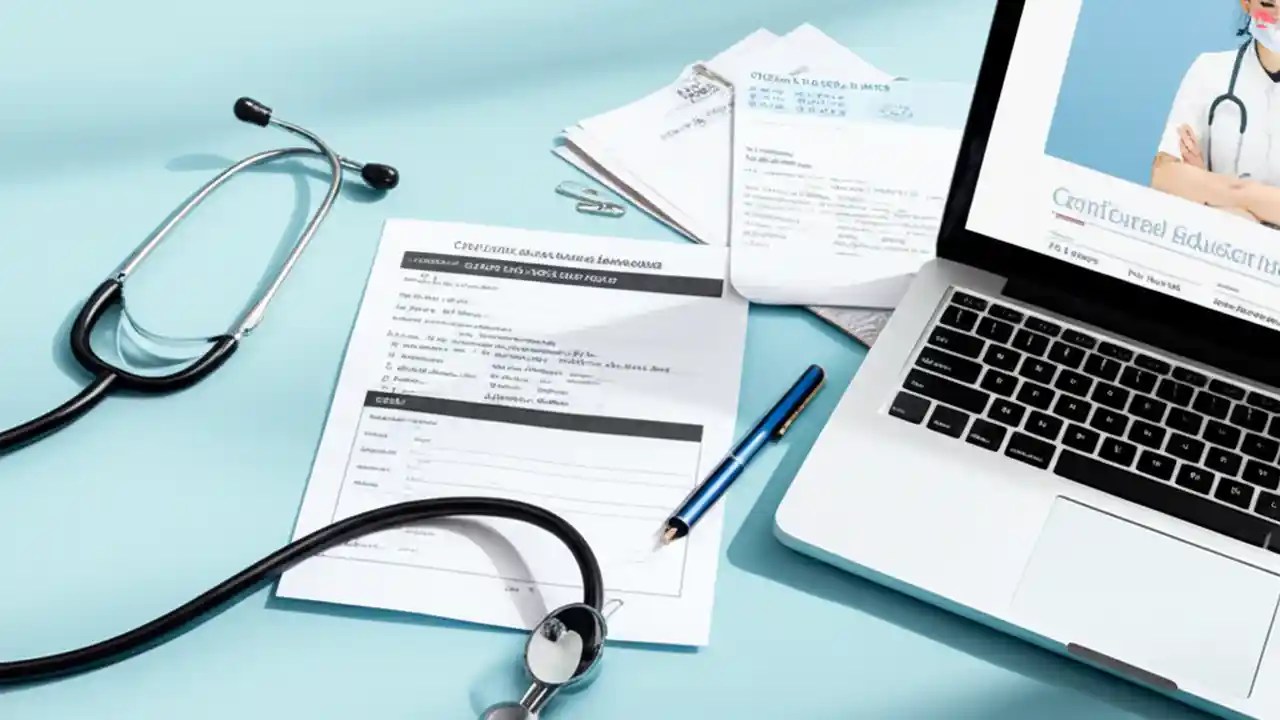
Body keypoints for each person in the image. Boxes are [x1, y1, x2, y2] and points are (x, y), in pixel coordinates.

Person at [1151, 1, 1280, 225]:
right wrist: (1250, 202)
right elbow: (1165, 177)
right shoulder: (1209, 71)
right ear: (1246, 4)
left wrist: (1218, 193)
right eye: (1268, 4)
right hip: (1214, 247)